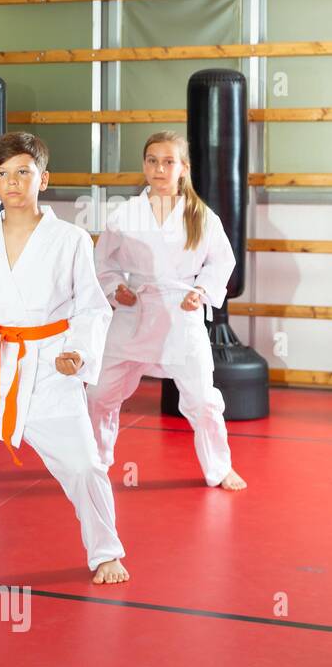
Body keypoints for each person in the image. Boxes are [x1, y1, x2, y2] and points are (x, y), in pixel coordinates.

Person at [0, 132, 129, 585]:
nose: (12, 182)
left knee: (82, 466)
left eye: (22, 172)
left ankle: (106, 551)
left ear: (43, 179)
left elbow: (92, 306)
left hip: (50, 368)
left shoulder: (70, 238)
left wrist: (78, 352)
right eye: (1, 174)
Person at [86, 131, 246, 491]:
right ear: (144, 165)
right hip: (135, 312)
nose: (159, 168)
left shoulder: (200, 216)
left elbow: (222, 260)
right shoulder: (125, 214)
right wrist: (116, 289)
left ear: (183, 168)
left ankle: (219, 468)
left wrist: (202, 292)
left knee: (204, 400)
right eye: (152, 160)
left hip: (180, 313)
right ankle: (96, 459)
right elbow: (103, 262)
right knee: (99, 393)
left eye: (168, 161)